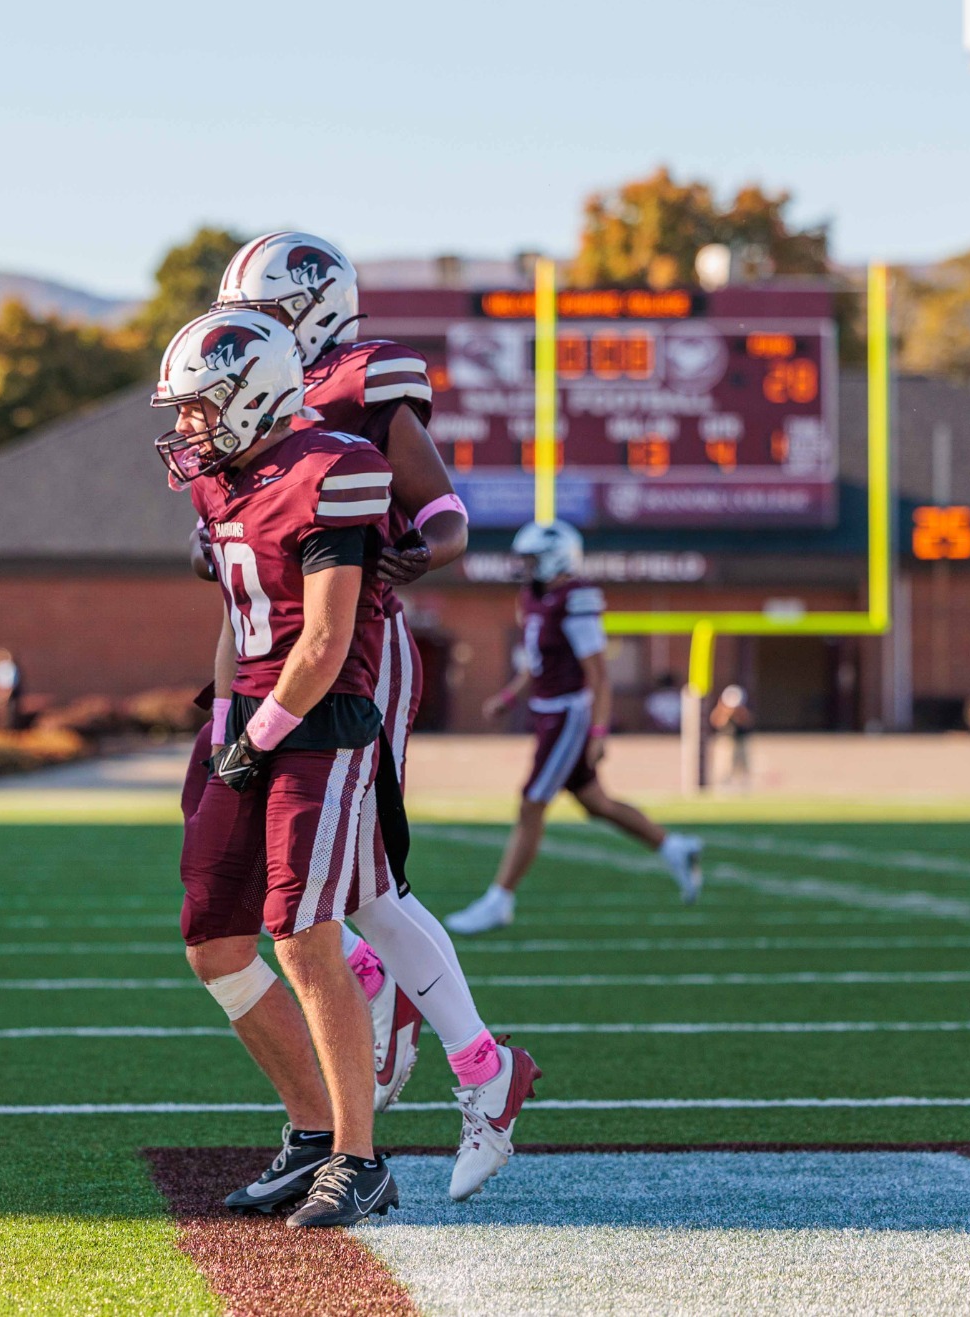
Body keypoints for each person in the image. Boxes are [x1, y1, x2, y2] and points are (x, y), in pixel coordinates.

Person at [207, 230, 536, 1200]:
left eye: (261, 318)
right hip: (281, 658)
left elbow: (442, 512)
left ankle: (469, 1059)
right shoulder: (255, 409)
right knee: (343, 887)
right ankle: (436, 1037)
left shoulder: (357, 381)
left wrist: (417, 552)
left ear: (307, 309)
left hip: (350, 649)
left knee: (347, 883)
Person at [161, 309, 411, 1227]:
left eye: (198, 408)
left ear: (252, 393)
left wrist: (256, 735)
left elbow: (327, 638)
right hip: (250, 719)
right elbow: (236, 618)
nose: (187, 428)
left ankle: (361, 1156)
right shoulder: (224, 480)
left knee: (302, 932)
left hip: (319, 721)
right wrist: (223, 717)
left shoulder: (331, 470)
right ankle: (311, 1133)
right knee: (213, 940)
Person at [446, 520, 703, 934]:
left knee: (531, 803)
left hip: (569, 714)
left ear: (555, 558)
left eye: (532, 559)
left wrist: (599, 733)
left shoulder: (576, 598)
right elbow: (535, 660)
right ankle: (673, 846)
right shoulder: (533, 597)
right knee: (595, 802)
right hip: (547, 711)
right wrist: (511, 696)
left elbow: (598, 675)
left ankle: (499, 899)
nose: (525, 567)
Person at [712, 684, 755, 788]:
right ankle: (723, 788)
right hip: (726, 741)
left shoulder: (743, 711)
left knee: (743, 767)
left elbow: (748, 722)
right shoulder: (722, 710)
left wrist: (739, 713)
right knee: (724, 768)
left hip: (741, 741)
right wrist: (725, 711)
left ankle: (744, 788)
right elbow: (716, 722)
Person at [0, 647, 22, 731]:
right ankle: (0, 727)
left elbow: (11, 682)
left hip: (9, 693)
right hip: (0, 693)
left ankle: (8, 728)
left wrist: (7, 694)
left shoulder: (10, 667)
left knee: (9, 712)